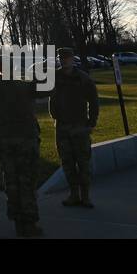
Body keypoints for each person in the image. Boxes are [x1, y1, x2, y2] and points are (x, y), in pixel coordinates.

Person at [0, 62, 45, 237]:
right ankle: (29, 222)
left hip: (4, 141)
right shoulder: (24, 86)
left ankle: (17, 221)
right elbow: (47, 89)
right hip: (26, 140)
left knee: (11, 181)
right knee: (27, 181)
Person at [49, 47, 99, 208]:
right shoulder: (54, 77)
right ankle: (73, 194)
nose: (64, 60)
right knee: (67, 163)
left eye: (67, 58)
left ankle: (85, 196)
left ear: (72, 59)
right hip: (62, 126)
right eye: (61, 58)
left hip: (80, 126)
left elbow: (94, 100)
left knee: (83, 163)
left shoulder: (83, 78)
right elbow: (50, 97)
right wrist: (54, 115)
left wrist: (91, 122)